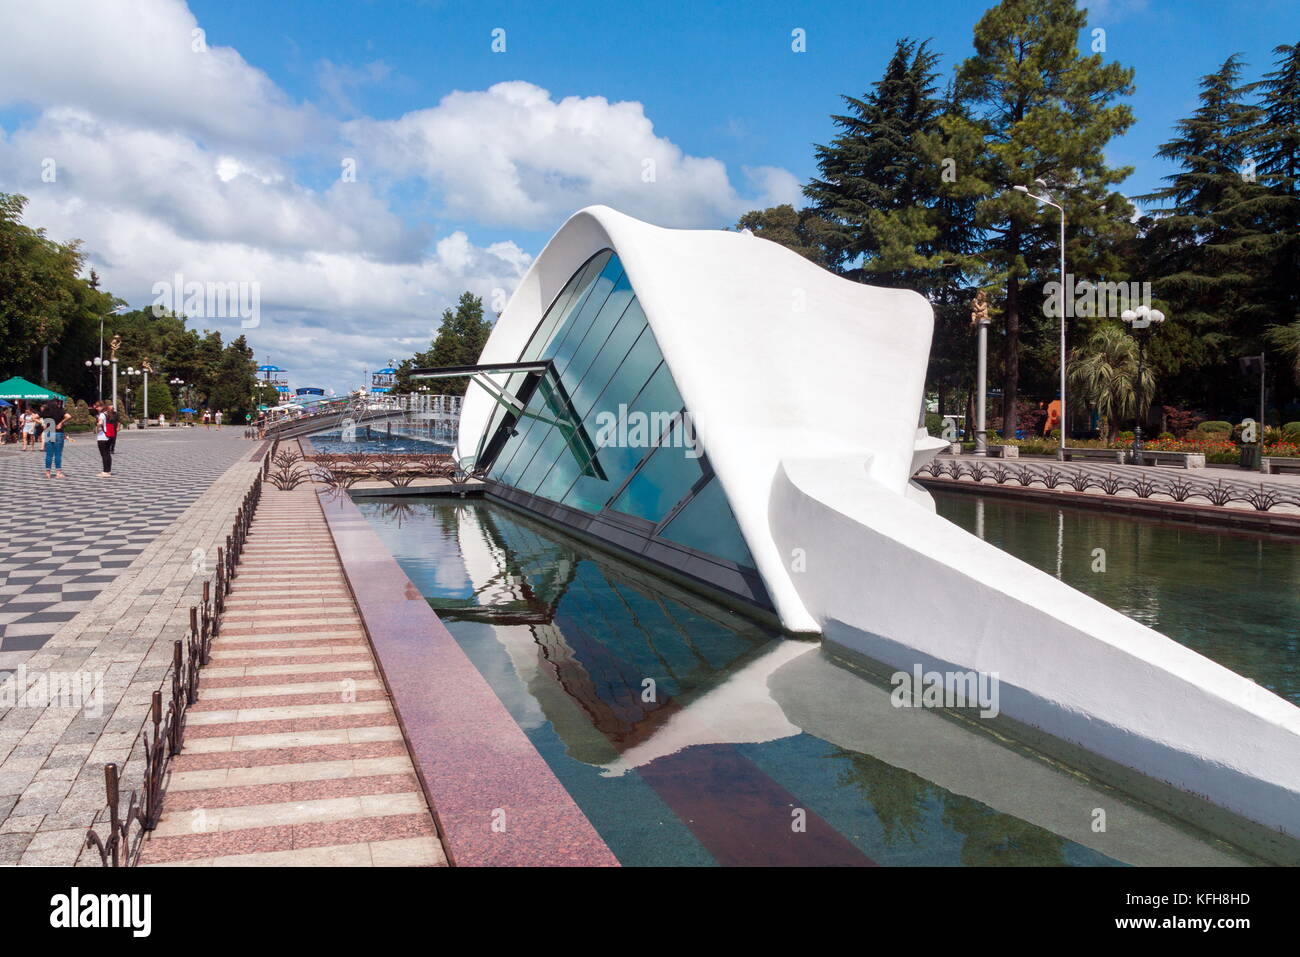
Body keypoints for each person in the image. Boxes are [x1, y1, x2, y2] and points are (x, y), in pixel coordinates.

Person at [41, 400, 71, 478]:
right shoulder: (60, 411)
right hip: (58, 433)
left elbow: (33, 417)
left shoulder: (45, 411)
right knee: (58, 454)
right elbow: (69, 416)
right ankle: (58, 473)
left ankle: (48, 473)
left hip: (49, 432)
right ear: (56, 404)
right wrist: (61, 423)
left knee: (49, 454)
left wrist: (42, 423)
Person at [94, 401, 113, 476]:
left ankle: (105, 471)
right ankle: (108, 470)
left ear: (101, 406)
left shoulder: (102, 414)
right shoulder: (108, 413)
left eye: (97, 407)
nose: (96, 408)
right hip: (109, 436)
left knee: (104, 454)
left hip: (102, 437)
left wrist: (97, 428)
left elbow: (100, 423)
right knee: (107, 454)